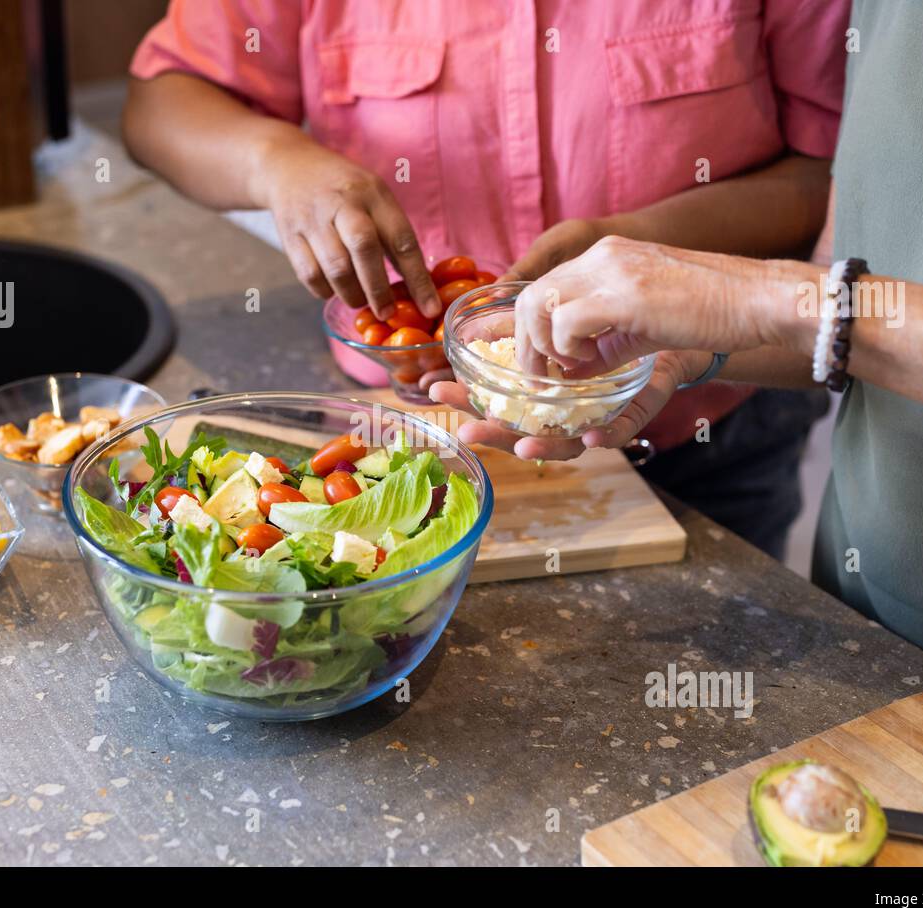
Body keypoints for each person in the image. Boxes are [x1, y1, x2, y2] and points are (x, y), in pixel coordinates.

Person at [434, 0, 923, 723]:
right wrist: (677, 345)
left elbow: (823, 301)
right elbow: (852, 266)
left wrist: (765, 295)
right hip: (877, 604)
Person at [121, 0, 850, 558]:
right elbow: (161, 103)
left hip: (703, 431)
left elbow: (835, 170)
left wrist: (637, 253)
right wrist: (274, 161)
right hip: (400, 429)